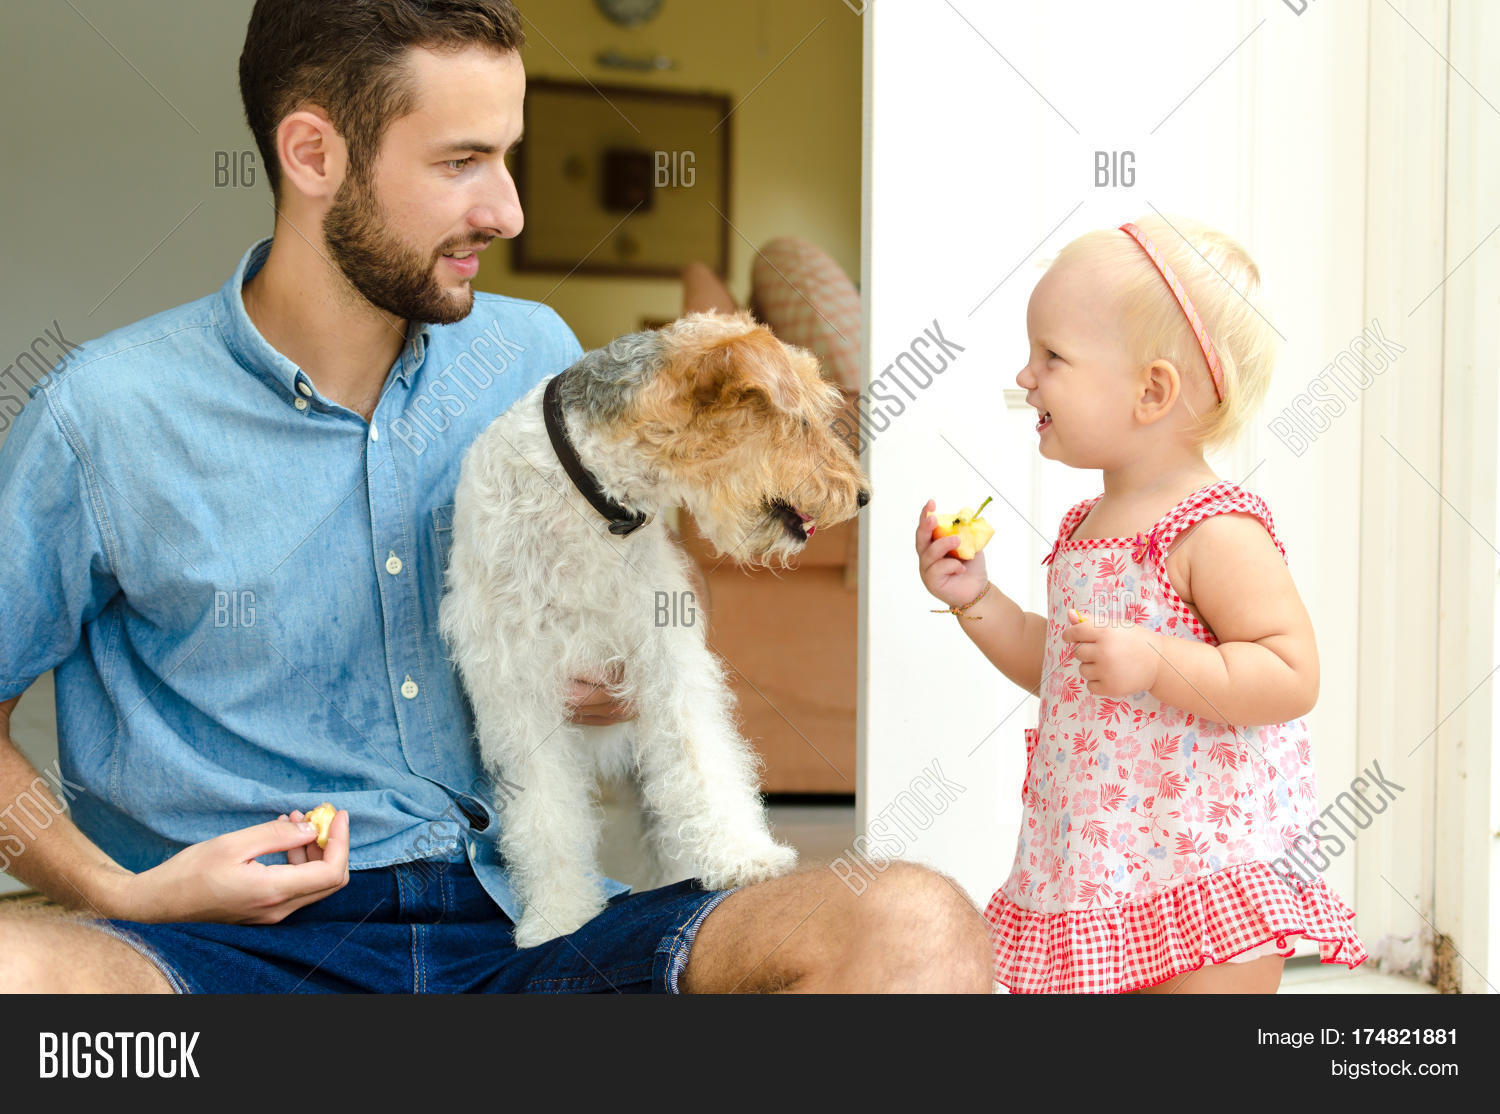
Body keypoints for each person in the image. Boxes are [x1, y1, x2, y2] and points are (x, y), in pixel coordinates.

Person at [0, 0, 990, 994]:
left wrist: (622, 656)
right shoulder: (104, 417)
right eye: (461, 161)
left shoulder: (534, 355)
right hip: (230, 954)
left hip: (526, 930)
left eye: (507, 158)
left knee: (913, 922)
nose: (508, 212)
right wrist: (121, 893)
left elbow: (657, 584)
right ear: (312, 155)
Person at [915, 215, 1368, 993]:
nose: (1025, 376)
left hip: (1205, 865)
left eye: (1052, 356)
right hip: (1102, 866)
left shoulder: (1213, 528)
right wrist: (976, 598)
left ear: (1152, 391)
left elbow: (1291, 674)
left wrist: (1157, 660)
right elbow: (1061, 666)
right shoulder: (1083, 529)